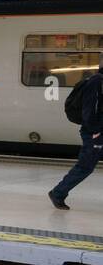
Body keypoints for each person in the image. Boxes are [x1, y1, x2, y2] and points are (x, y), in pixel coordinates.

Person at [49, 60, 103, 210]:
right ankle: (58, 193)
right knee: (85, 167)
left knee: (85, 166)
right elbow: (90, 109)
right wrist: (95, 131)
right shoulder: (96, 82)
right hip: (95, 132)